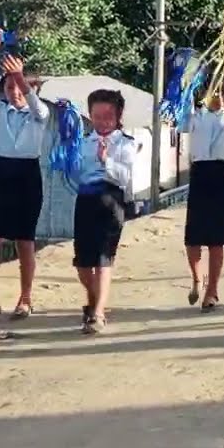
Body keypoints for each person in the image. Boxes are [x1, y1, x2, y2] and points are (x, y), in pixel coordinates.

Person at [0, 46, 49, 320]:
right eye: (8, 86)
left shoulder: (40, 113)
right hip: (3, 174)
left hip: (28, 176)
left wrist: (20, 77)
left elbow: (36, 105)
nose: (13, 91)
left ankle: (25, 298)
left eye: (18, 86)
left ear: (30, 88)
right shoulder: (1, 111)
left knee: (24, 241)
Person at [74, 89, 140, 334]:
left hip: (111, 202)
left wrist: (106, 160)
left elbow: (124, 177)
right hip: (85, 201)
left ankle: (98, 313)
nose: (102, 122)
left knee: (103, 259)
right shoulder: (82, 142)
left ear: (118, 116)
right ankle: (94, 299)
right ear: (89, 115)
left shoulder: (125, 143)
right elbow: (74, 173)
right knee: (82, 263)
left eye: (108, 116)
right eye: (97, 116)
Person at [179, 81, 224, 312]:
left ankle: (212, 290)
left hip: (220, 174)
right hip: (199, 172)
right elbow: (181, 124)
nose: (216, 96)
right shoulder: (196, 115)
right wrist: (186, 93)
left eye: (220, 92)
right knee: (193, 237)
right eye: (212, 92)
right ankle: (197, 279)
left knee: (217, 238)